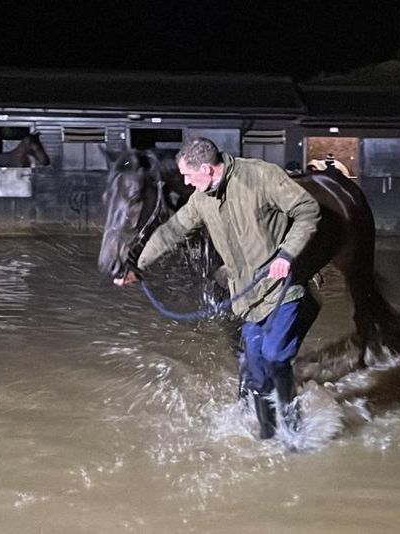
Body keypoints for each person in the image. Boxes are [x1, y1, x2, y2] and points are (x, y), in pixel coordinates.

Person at [115, 137, 322, 440]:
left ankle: (295, 432)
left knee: (276, 357)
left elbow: (308, 209)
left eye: (188, 174)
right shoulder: (202, 198)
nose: (185, 181)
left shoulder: (260, 176)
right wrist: (138, 266)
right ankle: (268, 435)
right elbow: (172, 230)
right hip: (246, 299)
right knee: (256, 372)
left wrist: (286, 254)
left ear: (209, 170)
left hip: (282, 289)